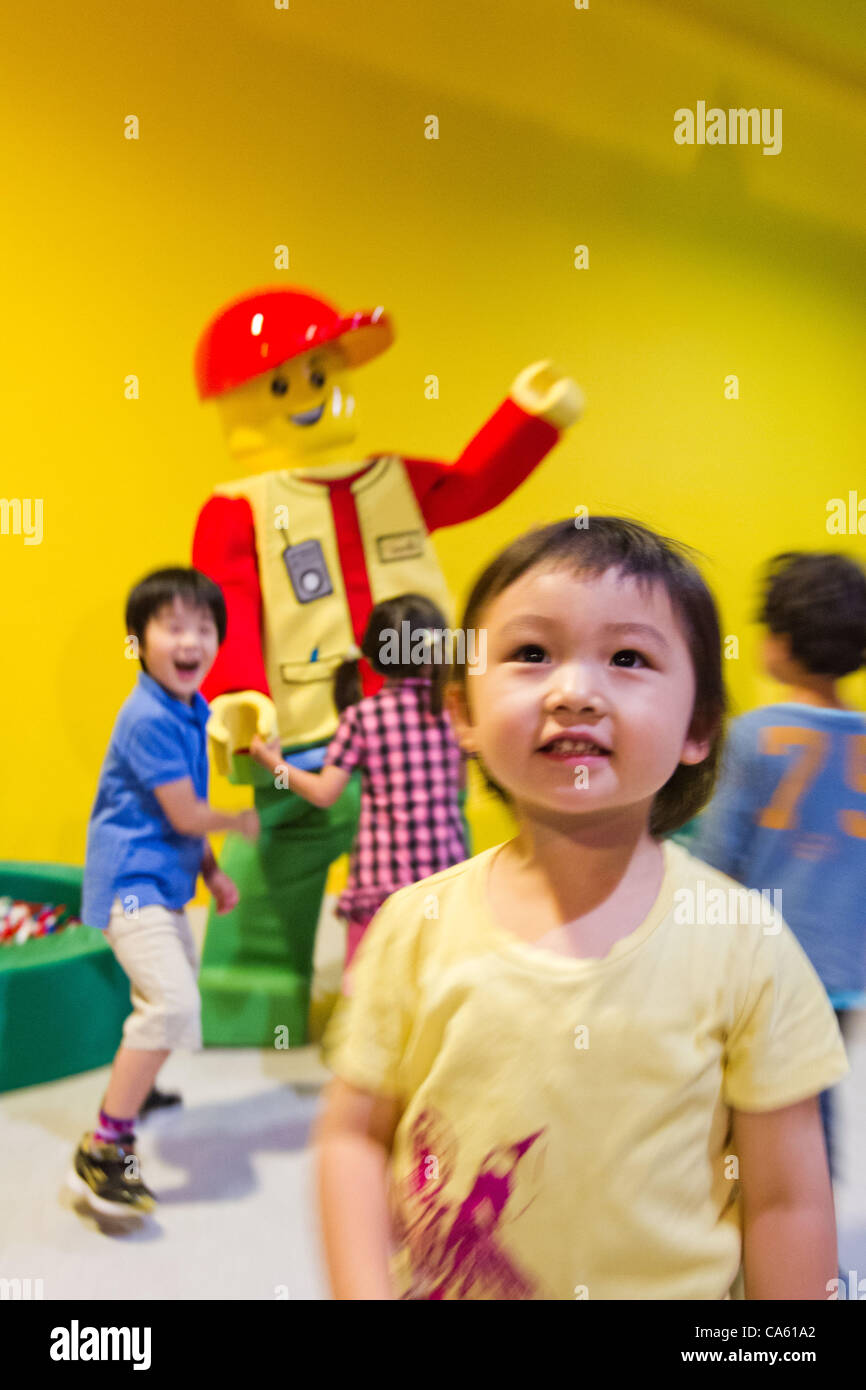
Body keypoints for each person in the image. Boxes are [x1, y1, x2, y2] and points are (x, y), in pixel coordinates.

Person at [314, 517, 848, 1300]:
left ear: (700, 725)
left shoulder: (746, 946)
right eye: (532, 654)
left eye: (628, 658)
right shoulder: (414, 927)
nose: (574, 693)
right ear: (460, 710)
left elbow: (786, 1200)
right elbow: (355, 1140)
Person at [69, 568, 259, 1217]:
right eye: (173, 626)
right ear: (138, 642)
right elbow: (186, 813)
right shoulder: (147, 716)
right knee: (173, 1005)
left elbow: (185, 806)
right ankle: (104, 1144)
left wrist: (212, 872)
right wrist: (238, 823)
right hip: (130, 885)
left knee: (168, 1000)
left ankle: (138, 1089)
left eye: (204, 628)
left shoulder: (192, 708)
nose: (190, 640)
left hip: (163, 884)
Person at [692, 551, 866, 1183]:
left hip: (767, 958)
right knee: (814, 1081)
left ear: (781, 643)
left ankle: (782, 1209)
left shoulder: (752, 735)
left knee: (758, 1092)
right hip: (845, 966)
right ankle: (810, 1190)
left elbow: (718, 857)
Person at [250, 595, 469, 992]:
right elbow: (458, 788)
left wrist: (272, 763)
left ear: (375, 654)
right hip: (444, 874)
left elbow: (323, 794)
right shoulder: (453, 714)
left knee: (367, 985)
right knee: (435, 981)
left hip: (379, 876)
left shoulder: (361, 717)